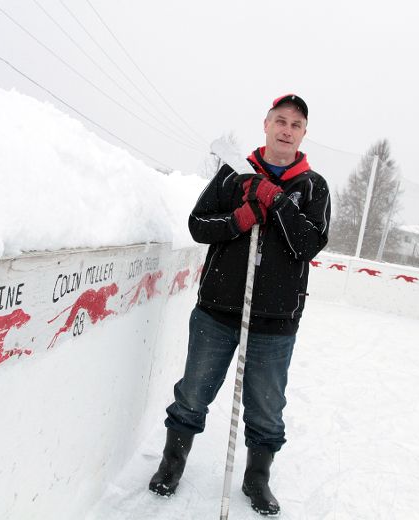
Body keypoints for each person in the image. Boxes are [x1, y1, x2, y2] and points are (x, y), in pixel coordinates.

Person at [149, 94, 330, 515]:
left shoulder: (313, 186)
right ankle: (171, 464)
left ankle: (256, 479)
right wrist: (241, 218)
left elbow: (308, 244)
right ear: (266, 124)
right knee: (193, 394)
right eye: (280, 121)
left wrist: (278, 202)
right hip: (217, 312)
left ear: (303, 134)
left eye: (295, 125)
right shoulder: (235, 175)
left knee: (266, 409)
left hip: (276, 322)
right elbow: (198, 225)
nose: (286, 130)